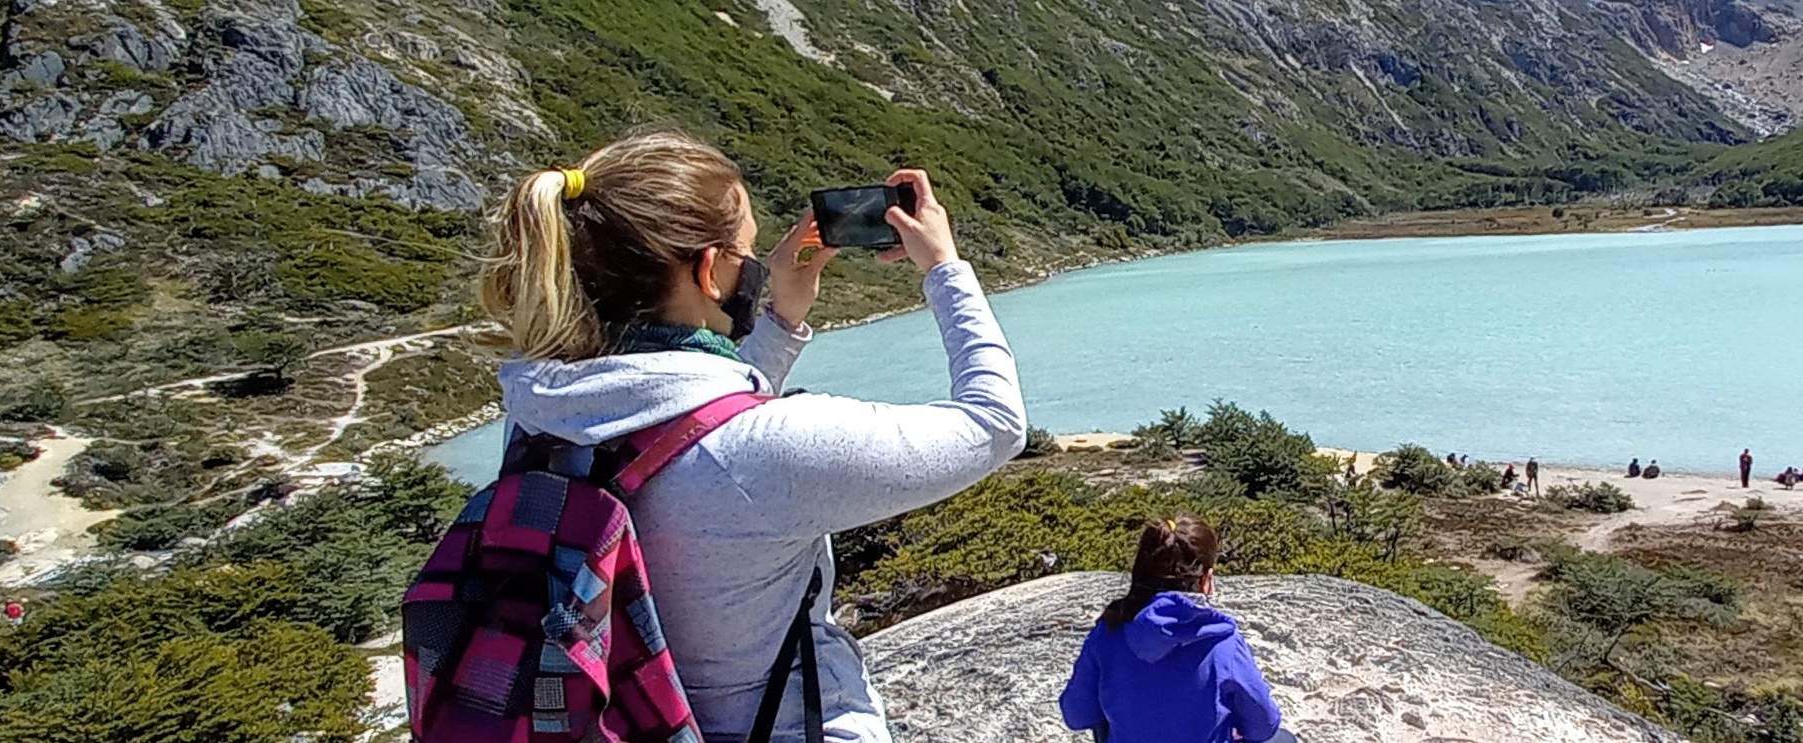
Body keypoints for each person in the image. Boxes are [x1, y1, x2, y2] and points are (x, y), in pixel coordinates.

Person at [472, 134, 1025, 740]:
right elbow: (994, 424)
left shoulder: (543, 417)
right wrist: (944, 269)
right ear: (710, 271)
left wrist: (782, 322)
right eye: (748, 251)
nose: (755, 266)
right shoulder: (772, 449)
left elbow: (690, 427)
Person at [1061, 516, 1286, 743]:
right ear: (1206, 580)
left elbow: (1076, 715)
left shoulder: (1109, 632)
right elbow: (1264, 725)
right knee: (1283, 739)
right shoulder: (1222, 643)